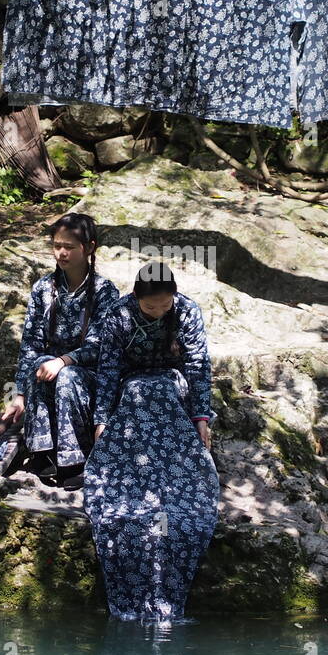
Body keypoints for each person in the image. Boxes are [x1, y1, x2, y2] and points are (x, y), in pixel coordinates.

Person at [82, 262, 220, 622]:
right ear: (136, 298)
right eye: (150, 307)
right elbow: (109, 368)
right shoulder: (118, 315)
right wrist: (101, 420)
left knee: (159, 391)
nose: (159, 312)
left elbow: (198, 364)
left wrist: (201, 417)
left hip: (173, 383)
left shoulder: (188, 312)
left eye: (164, 305)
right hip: (132, 383)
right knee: (140, 393)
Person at [1, 212, 120, 489]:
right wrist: (19, 394)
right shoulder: (44, 288)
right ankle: (42, 453)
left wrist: (64, 361)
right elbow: (30, 343)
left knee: (65, 376)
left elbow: (100, 347)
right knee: (39, 363)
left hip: (87, 378)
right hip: (50, 369)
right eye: (57, 245)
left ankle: (74, 461)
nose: (62, 253)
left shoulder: (105, 292)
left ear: (89, 248)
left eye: (69, 246)